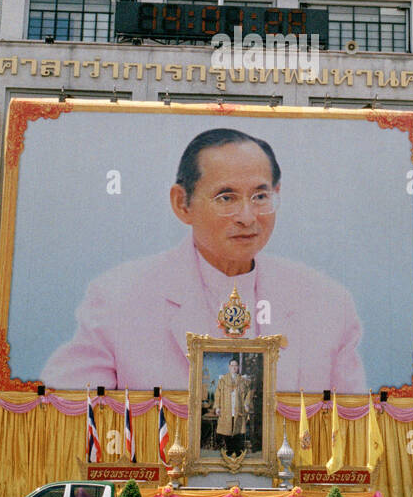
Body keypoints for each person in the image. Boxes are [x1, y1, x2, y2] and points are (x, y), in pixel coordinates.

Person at [41, 127, 367, 392]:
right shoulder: (118, 298)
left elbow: (353, 431)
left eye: (261, 197)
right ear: (182, 204)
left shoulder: (328, 303)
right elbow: (64, 410)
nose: (247, 216)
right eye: (226, 197)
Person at [214, 357, 253, 455]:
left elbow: (248, 393)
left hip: (238, 409)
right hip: (226, 409)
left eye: (236, 366)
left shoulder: (242, 380)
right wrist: (217, 407)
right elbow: (218, 394)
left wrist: (246, 404)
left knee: (238, 431)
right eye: (232, 366)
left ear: (238, 367)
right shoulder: (223, 380)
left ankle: (238, 452)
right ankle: (229, 451)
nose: (234, 368)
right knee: (227, 430)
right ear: (229, 367)